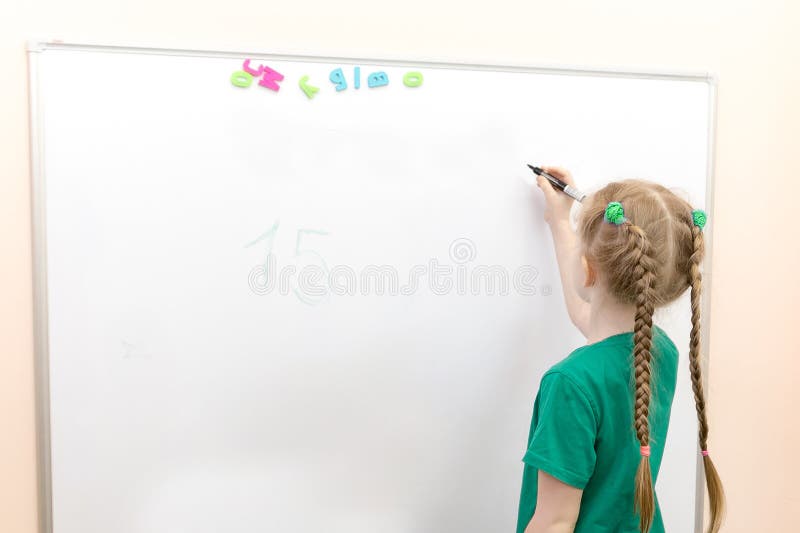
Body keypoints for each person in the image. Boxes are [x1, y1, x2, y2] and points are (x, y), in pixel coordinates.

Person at [517, 167, 724, 533]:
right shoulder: (659, 351)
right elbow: (588, 315)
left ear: (588, 271)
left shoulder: (570, 384)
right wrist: (560, 221)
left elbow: (554, 523)